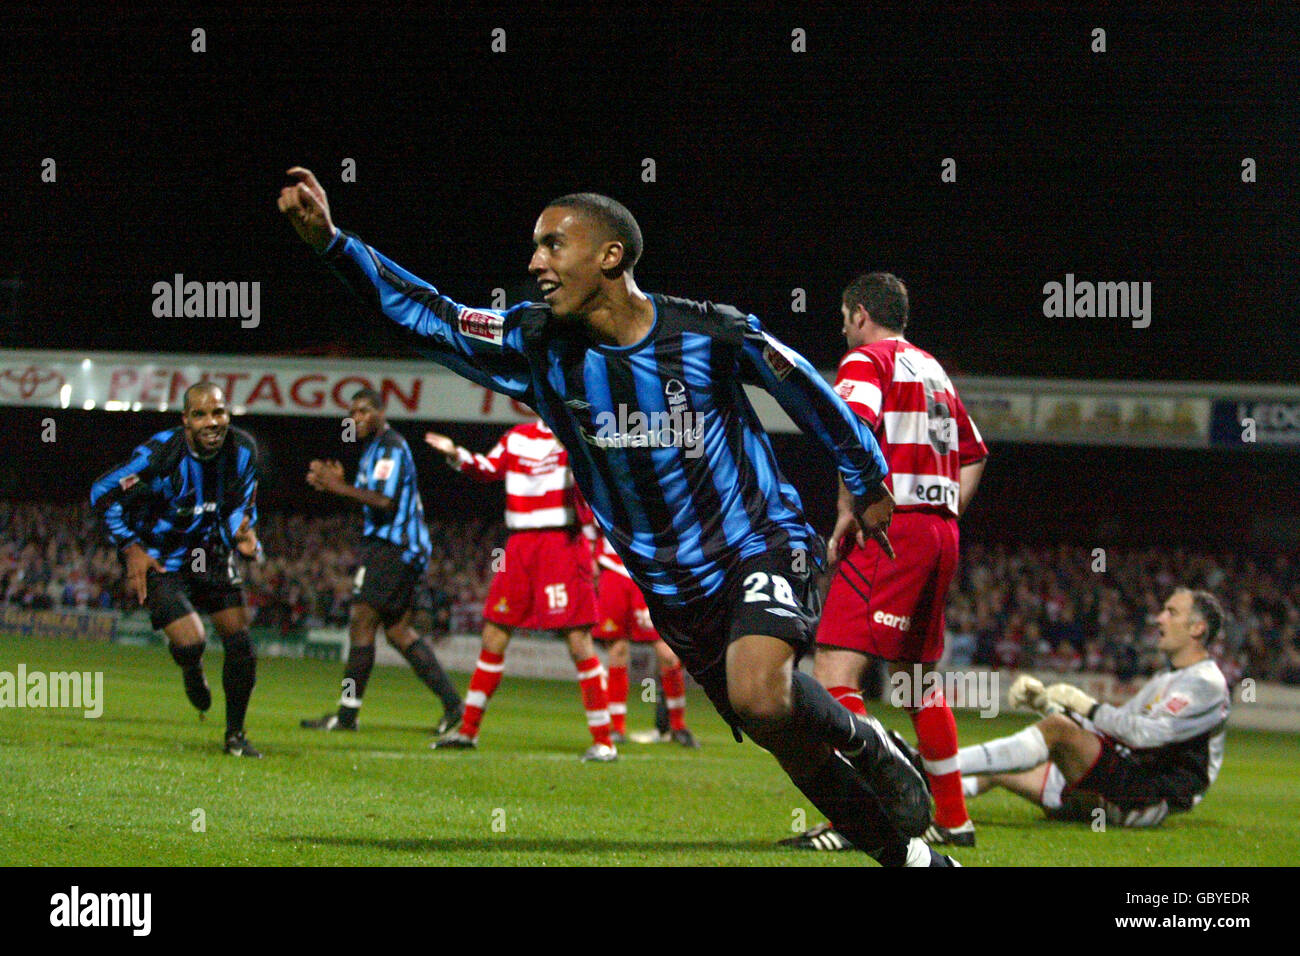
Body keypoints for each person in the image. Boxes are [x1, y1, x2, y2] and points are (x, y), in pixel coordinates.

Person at [278, 168, 950, 865]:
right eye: (535, 248)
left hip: (758, 540)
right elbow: (431, 316)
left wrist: (866, 476)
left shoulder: (707, 331)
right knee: (783, 735)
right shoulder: (535, 343)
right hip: (670, 587)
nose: (536, 263)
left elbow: (805, 386)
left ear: (610, 256)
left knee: (758, 694)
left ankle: (868, 741)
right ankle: (913, 856)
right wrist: (333, 243)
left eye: (552, 245)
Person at [782, 272, 988, 851]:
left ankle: (862, 817)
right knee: (917, 681)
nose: (843, 328)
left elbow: (851, 432)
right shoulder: (935, 371)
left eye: (844, 318)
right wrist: (943, 510)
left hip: (893, 530)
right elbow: (974, 454)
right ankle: (953, 818)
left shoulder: (867, 361)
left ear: (859, 314)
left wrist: (852, 508)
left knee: (832, 670)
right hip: (939, 531)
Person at [423, 419, 616, 761]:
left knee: (578, 642)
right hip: (519, 546)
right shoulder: (516, 437)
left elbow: (598, 482)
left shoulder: (575, 432)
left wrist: (592, 543)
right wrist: (457, 454)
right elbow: (487, 468)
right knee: (493, 636)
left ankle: (604, 741)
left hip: (562, 542)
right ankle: (467, 732)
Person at [957, 588, 1229, 828]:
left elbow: (1144, 737)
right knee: (1000, 762)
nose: (1159, 618)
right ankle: (936, 794)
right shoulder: (1166, 679)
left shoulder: (1206, 683)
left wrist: (1086, 706)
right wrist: (1045, 705)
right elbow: (1114, 730)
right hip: (1119, 787)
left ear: (1197, 628)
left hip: (1145, 799)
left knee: (1056, 732)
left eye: (1171, 612)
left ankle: (937, 763)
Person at [90, 382, 263, 756]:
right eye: (200, 414)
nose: (211, 422)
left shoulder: (243, 450)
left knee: (241, 646)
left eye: (218, 412)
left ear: (228, 415)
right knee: (192, 641)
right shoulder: (158, 455)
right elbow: (102, 493)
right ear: (186, 420)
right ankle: (190, 667)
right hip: (159, 557)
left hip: (212, 552)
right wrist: (129, 546)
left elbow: (239, 505)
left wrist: (242, 536)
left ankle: (235, 736)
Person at [300, 388, 463, 735]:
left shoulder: (389, 446)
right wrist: (340, 486)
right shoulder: (375, 449)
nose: (356, 418)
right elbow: (372, 499)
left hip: (395, 548)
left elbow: (385, 502)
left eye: (363, 411)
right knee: (398, 632)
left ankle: (346, 717)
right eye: (352, 413)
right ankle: (453, 705)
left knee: (361, 623)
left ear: (380, 412)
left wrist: (338, 488)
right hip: (396, 548)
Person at [591, 531, 697, 748]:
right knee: (617, 651)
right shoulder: (599, 496)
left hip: (647, 573)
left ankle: (678, 725)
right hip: (612, 572)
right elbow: (588, 528)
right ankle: (617, 727)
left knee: (668, 654)